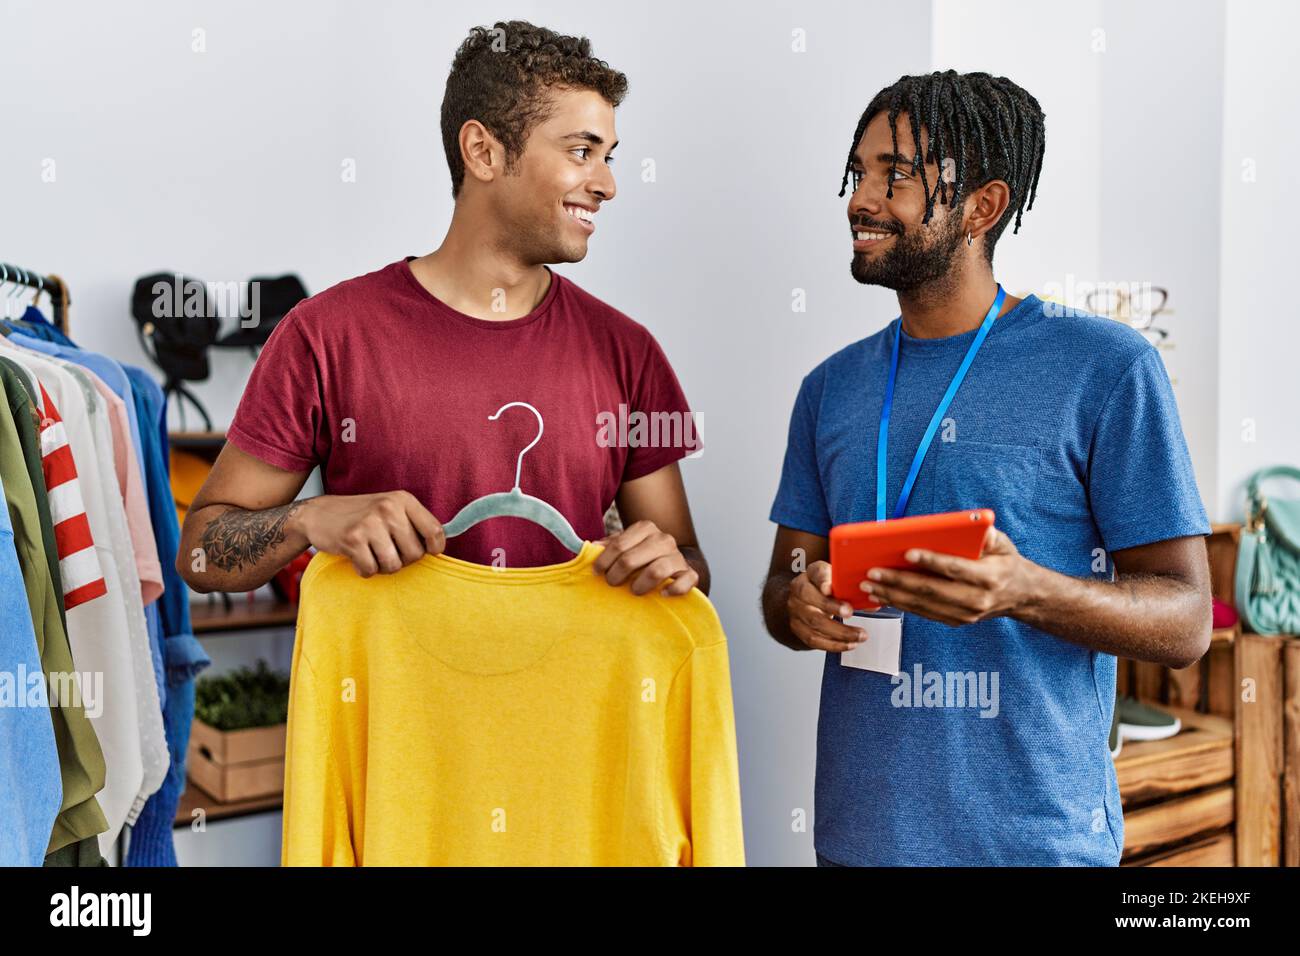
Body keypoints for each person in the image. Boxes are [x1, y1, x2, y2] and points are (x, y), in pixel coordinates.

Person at [760, 70, 1211, 866]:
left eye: (894, 176)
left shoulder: (1105, 368)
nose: (860, 199)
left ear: (982, 206)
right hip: (860, 843)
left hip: (1036, 846)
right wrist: (796, 604)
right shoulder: (829, 389)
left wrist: (1025, 589)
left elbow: (1185, 622)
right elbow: (781, 583)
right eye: (858, 172)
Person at [178, 21, 707, 598]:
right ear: (482, 151)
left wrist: (670, 565)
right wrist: (309, 517)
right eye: (581, 151)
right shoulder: (326, 336)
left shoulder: (627, 351)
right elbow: (201, 554)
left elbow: (689, 567)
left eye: (608, 157)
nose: (606, 184)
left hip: (578, 688)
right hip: (393, 690)